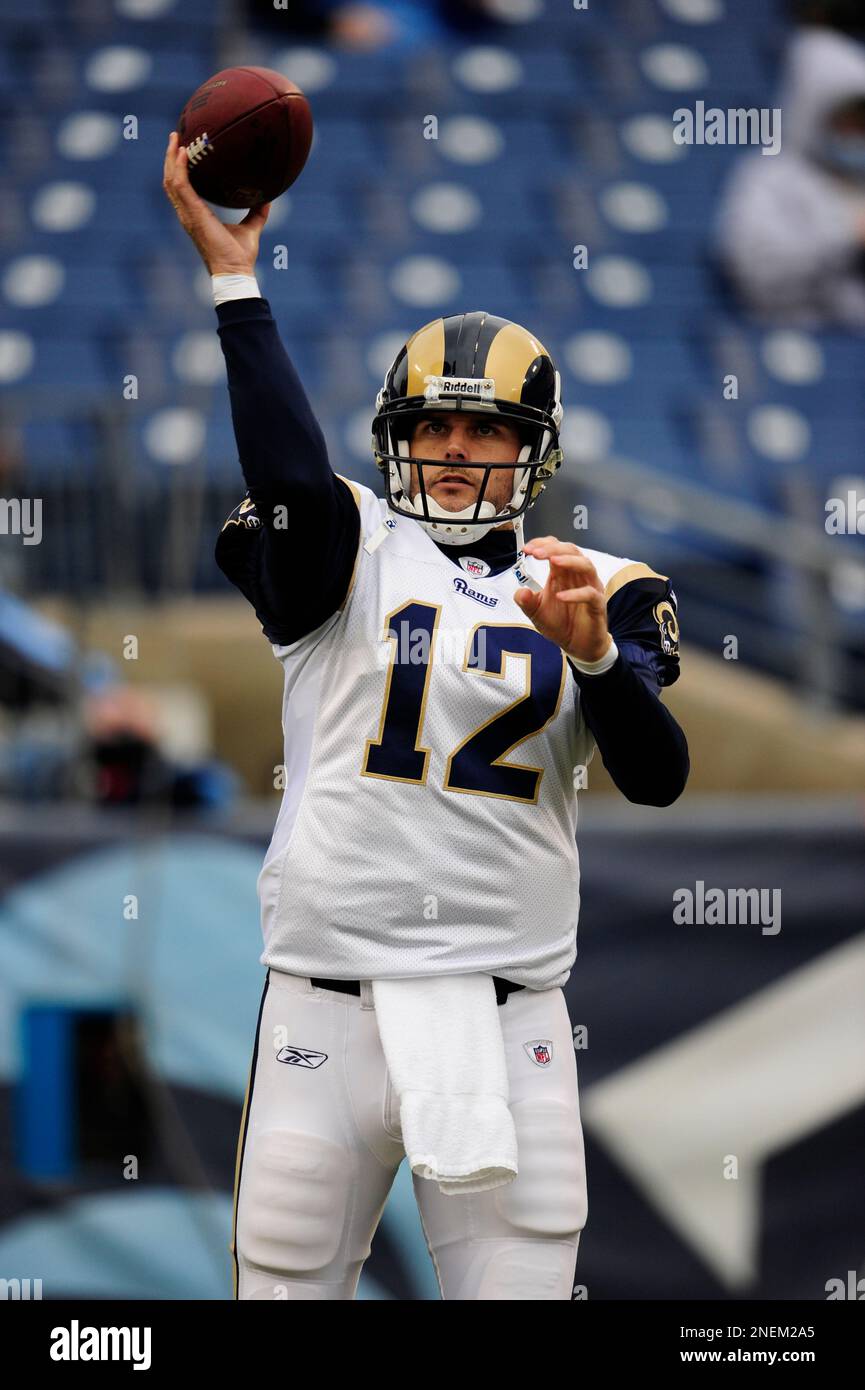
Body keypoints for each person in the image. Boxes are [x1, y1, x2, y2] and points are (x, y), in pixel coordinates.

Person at [163, 131, 689, 1300]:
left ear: (529, 449)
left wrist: (596, 657)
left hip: (507, 1015)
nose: (455, 451)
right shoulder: (347, 545)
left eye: (486, 429)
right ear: (396, 437)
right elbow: (291, 490)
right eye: (435, 428)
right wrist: (233, 282)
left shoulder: (600, 581)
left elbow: (657, 776)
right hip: (326, 1002)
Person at [714, 25, 865, 328]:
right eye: (845, 121)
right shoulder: (768, 178)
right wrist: (848, 235)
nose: (855, 135)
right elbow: (757, 272)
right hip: (781, 333)